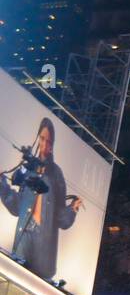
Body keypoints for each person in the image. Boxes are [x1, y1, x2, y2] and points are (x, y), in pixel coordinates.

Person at [1, 118, 83, 280]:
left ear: (53, 144)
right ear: (38, 138)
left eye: (49, 141)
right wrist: (2, 184)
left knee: (34, 288)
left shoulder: (56, 174)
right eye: (42, 139)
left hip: (44, 239)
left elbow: (61, 219)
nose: (45, 144)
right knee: (14, 280)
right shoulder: (27, 168)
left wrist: (73, 208)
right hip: (24, 234)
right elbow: (16, 207)